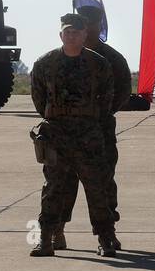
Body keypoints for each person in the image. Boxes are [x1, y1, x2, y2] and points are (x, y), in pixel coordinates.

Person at [29, 13, 116, 257]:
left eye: (76, 32)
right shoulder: (45, 63)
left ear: (85, 35)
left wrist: (89, 119)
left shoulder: (98, 64)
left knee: (97, 187)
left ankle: (105, 238)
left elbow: (107, 97)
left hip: (88, 135)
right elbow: (38, 98)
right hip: (56, 135)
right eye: (67, 32)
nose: (71, 35)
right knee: (53, 188)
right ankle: (46, 238)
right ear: (61, 35)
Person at [54, 6, 131, 250]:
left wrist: (99, 115)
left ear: (98, 27)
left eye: (94, 25)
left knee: (103, 182)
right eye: (85, 25)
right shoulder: (57, 59)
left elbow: (122, 92)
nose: (89, 30)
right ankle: (57, 230)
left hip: (100, 130)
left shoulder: (112, 59)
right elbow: (42, 95)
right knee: (62, 182)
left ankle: (107, 232)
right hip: (63, 131)